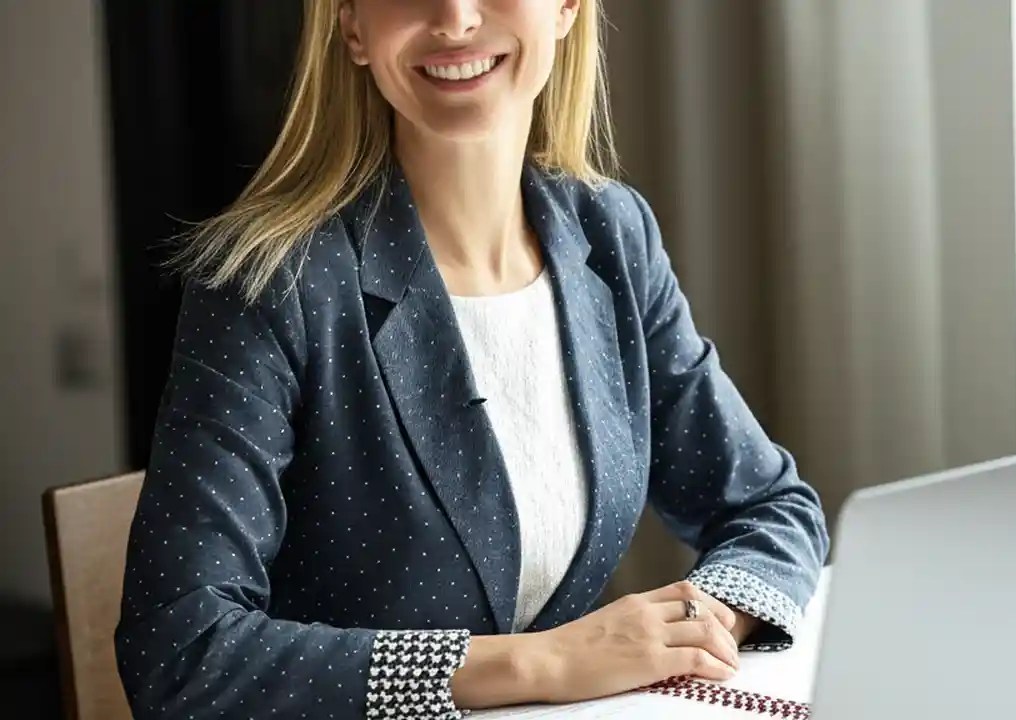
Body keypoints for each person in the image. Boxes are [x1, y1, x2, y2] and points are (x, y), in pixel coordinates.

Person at [114, 1, 828, 718]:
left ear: (566, 8)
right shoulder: (271, 283)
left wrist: (695, 630)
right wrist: (546, 661)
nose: (455, 18)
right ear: (352, 25)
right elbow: (181, 649)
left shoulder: (611, 235)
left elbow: (771, 508)